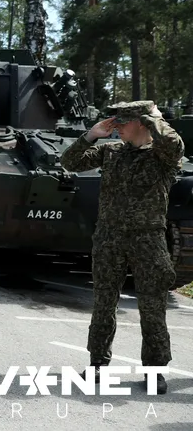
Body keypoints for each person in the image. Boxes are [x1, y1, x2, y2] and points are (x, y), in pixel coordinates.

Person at [60, 100, 184, 395]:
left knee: (152, 307)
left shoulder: (162, 156)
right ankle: (97, 364)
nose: (117, 128)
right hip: (109, 238)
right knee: (104, 304)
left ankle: (154, 370)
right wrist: (91, 135)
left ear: (142, 123)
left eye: (123, 122)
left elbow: (175, 144)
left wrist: (154, 117)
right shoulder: (111, 151)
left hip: (148, 240)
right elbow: (70, 162)